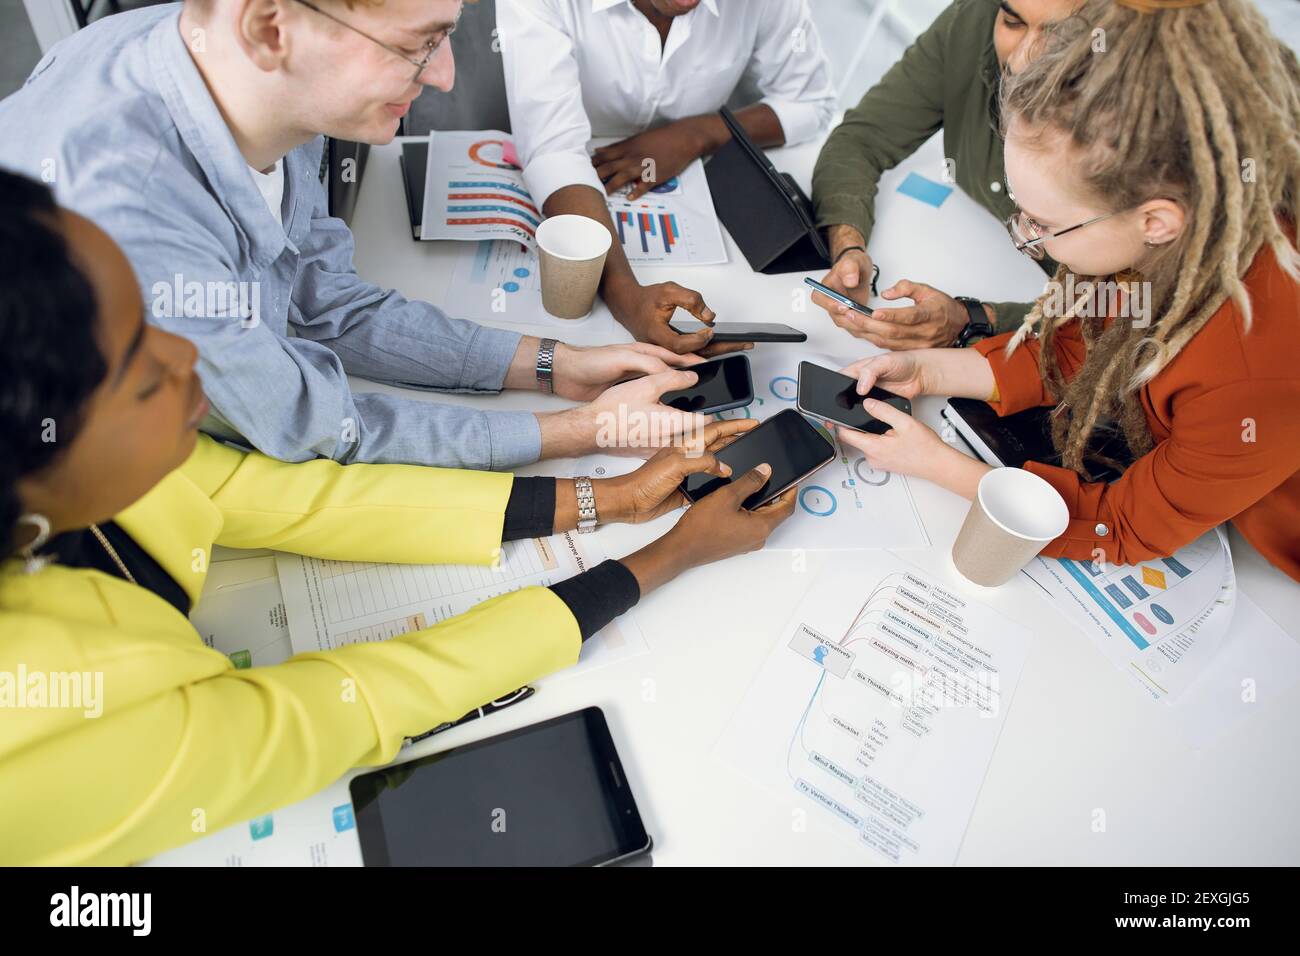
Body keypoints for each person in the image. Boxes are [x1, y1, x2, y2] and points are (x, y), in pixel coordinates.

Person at [0, 169, 797, 865]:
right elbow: (370, 698)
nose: (191, 358)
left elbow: (316, 502)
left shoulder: (76, 465)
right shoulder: (56, 730)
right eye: (141, 374)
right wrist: (670, 556)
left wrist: (612, 499)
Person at [0, 0, 706, 472]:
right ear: (271, 29)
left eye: (447, 32)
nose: (446, 75)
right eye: (416, 45)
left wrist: (555, 364)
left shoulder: (259, 77)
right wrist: (574, 433)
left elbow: (321, 300)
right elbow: (305, 422)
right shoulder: (132, 215)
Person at [830, 0, 1300, 579]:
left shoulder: (1260, 362)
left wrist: (934, 462)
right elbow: (1091, 339)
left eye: (1046, 226)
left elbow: (1125, 526)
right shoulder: (1175, 236)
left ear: (1156, 221)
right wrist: (934, 370)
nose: (1030, 239)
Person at [498, 0, 836, 355]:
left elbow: (811, 102)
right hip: (578, 201)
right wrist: (627, 297)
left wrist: (697, 134)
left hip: (706, 219)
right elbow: (554, 148)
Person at [809, 0, 1082, 351]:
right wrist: (849, 246)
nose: (1022, 59)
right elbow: (862, 139)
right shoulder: (974, 19)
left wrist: (976, 320)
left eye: (1062, 36)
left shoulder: (1146, 125)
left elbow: (1130, 314)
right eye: (1012, 22)